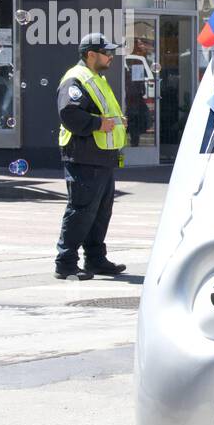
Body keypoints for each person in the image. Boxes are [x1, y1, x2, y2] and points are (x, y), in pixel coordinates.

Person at [54, 33, 128, 280]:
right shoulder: (76, 79)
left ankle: (95, 259)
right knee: (81, 210)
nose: (111, 57)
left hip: (101, 157)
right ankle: (66, 263)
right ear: (90, 54)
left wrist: (116, 122)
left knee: (100, 212)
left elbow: (103, 112)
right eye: (107, 52)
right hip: (83, 156)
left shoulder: (96, 78)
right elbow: (69, 113)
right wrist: (99, 124)